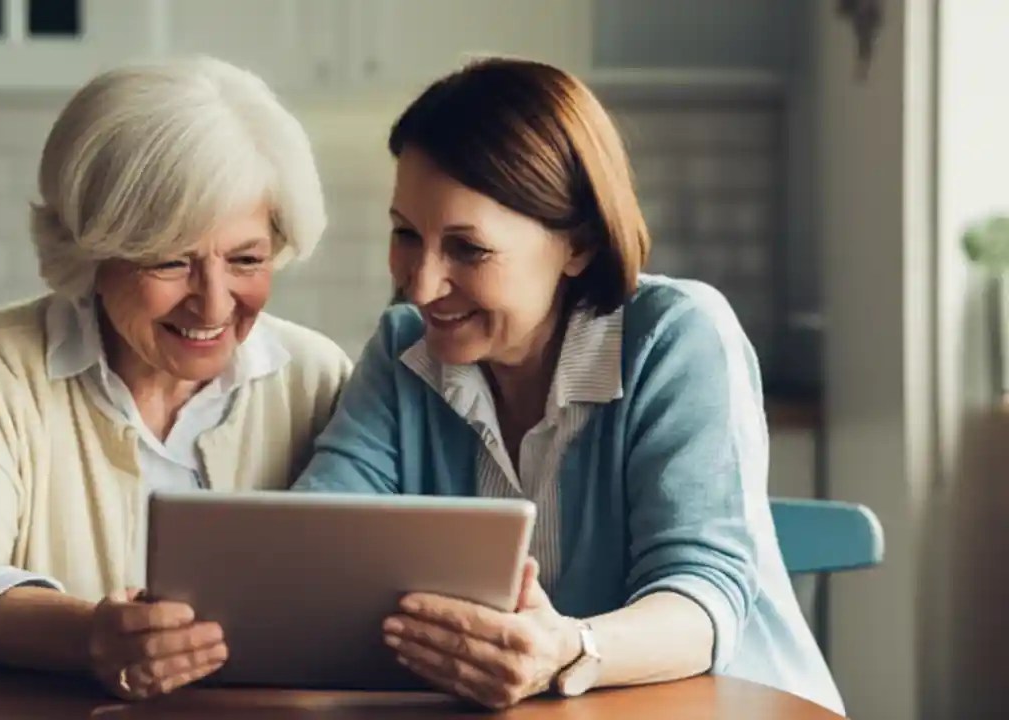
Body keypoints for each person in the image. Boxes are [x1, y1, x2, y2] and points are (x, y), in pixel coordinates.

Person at [292, 57, 844, 714]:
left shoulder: (676, 337)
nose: (420, 283)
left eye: (468, 249)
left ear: (577, 245)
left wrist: (566, 647)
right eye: (406, 235)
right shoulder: (401, 350)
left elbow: (702, 599)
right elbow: (314, 546)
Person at [0, 57, 351, 701]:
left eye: (246, 260)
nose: (214, 305)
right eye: (170, 263)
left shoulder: (318, 377)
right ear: (91, 251)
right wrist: (87, 637)